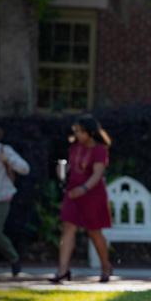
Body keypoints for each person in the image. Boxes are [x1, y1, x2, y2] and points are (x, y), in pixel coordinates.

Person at [50, 115, 114, 284]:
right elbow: (74, 166)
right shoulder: (74, 147)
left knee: (94, 232)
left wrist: (84, 188)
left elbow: (97, 173)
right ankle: (62, 270)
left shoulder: (100, 149)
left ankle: (106, 266)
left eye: (81, 131)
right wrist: (62, 170)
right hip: (73, 193)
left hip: (91, 194)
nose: (77, 134)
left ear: (91, 133)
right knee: (68, 228)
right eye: (76, 131)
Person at [0, 118, 30, 280]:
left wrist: (7, 160)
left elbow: (25, 169)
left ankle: (13, 258)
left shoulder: (4, 150)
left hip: (0, 197)